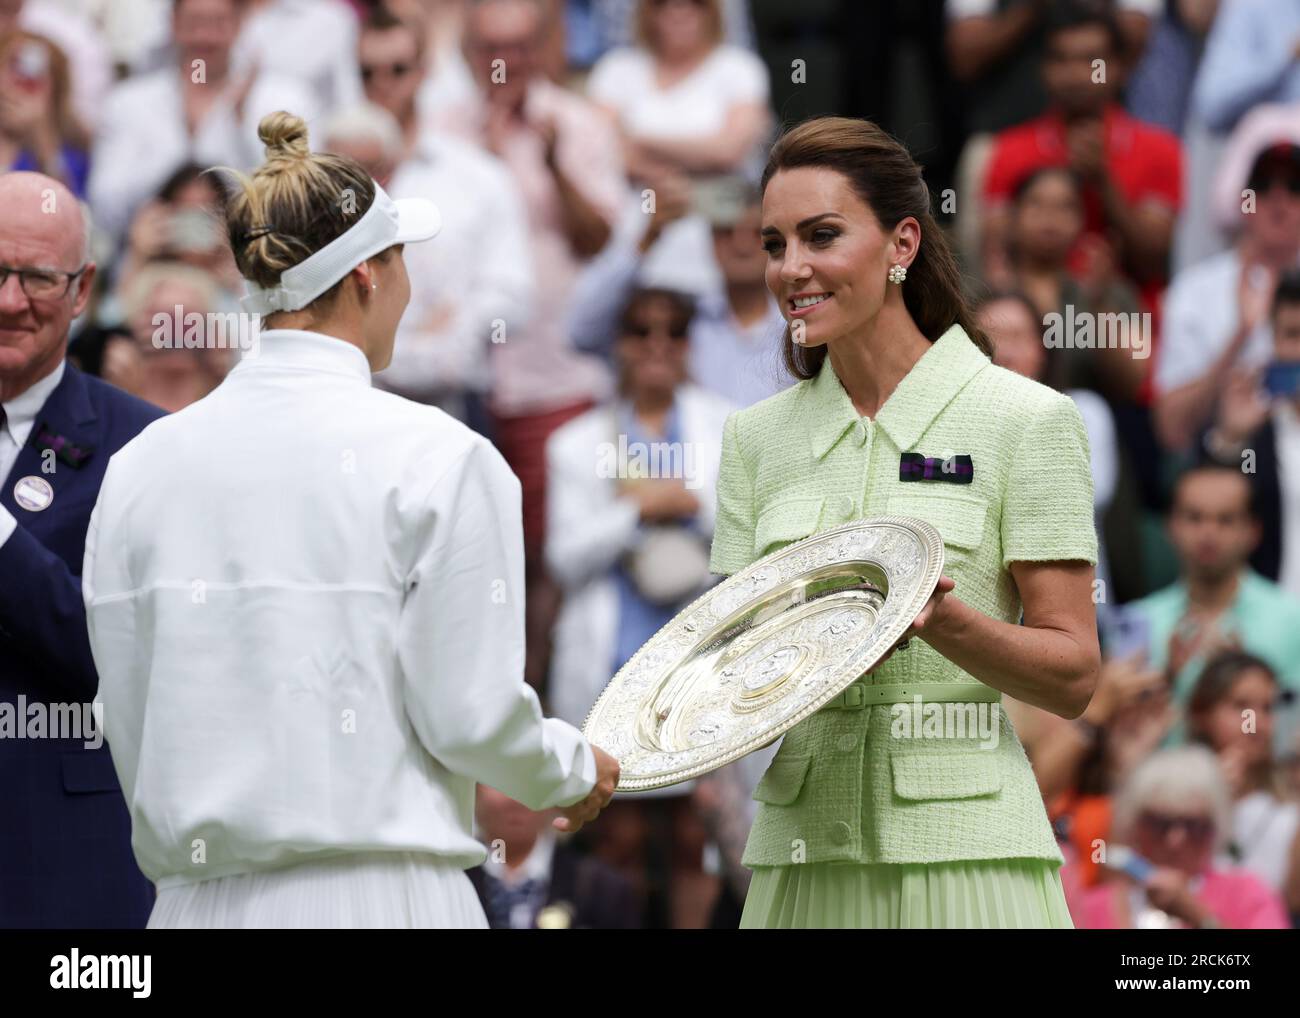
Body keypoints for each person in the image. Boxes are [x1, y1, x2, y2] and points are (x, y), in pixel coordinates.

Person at [82, 112, 619, 928]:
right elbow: (469, 717)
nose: (411, 285)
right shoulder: (442, 455)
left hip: (195, 904)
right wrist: (570, 769)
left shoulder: (138, 468)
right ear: (370, 275)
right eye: (403, 259)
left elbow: (127, 712)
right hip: (387, 895)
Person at [711, 116, 1101, 929]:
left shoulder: (1025, 420)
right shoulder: (753, 440)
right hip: (801, 861)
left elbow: (1073, 675)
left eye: (821, 236)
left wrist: (940, 620)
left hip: (969, 861)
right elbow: (728, 681)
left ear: (902, 245)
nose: (792, 268)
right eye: (774, 244)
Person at [0, 171, 163, 927]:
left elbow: (120, 653)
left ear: (83, 287)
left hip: (61, 860)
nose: (10, 301)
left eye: (36, 277)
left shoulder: (142, 445)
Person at [545, 286, 734, 927]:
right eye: (640, 331)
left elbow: (752, 543)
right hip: (613, 662)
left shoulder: (728, 424)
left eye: (673, 332)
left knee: (694, 834)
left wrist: (690, 506)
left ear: (689, 345)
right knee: (617, 833)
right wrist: (637, 511)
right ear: (619, 343)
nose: (657, 345)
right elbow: (563, 558)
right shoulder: (575, 442)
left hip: (698, 663)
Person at [87, 0, 317, 246]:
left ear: (239, 24)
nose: (206, 37)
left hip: (245, 267)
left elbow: (297, 202)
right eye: (195, 23)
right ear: (173, 24)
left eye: (218, 23)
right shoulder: (128, 102)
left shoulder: (283, 99)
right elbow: (104, 208)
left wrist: (241, 125)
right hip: (150, 264)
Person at [1078, 746, 1290, 929]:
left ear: (1216, 826)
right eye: (1160, 823)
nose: (1175, 839)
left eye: (1194, 826)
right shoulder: (1090, 907)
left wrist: (1201, 918)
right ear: (1134, 823)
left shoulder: (1247, 895)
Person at [1186, 650, 1300, 909]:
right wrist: (1206, 798)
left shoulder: (1289, 807)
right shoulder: (1166, 787)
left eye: (1268, 708)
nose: (1256, 723)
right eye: (1240, 706)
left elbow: (1293, 901)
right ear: (1202, 715)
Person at [465, 784, 641, 929]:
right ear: (472, 788)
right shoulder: (452, 879)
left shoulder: (603, 888)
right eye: (497, 781)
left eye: (531, 780)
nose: (515, 800)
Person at [0, 30, 90, 197]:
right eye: (12, 66)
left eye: (32, 75)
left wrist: (43, 139)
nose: (16, 85)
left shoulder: (73, 156)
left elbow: (67, 210)